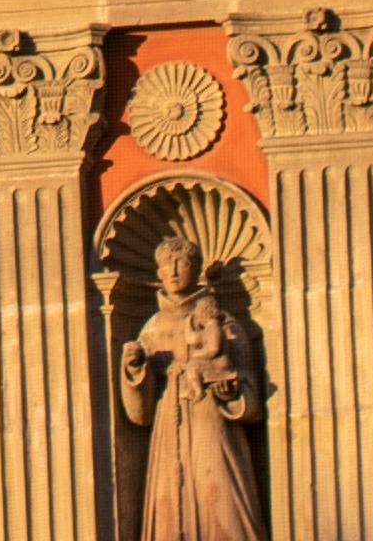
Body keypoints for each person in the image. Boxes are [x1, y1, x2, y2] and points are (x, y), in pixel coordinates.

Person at [116, 221, 264, 541]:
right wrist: (135, 371)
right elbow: (140, 415)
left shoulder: (222, 322)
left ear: (195, 269)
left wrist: (232, 393)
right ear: (158, 273)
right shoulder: (152, 328)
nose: (172, 271)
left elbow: (251, 393)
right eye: (166, 264)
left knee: (223, 504)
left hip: (210, 423)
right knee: (172, 509)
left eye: (180, 263)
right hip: (168, 429)